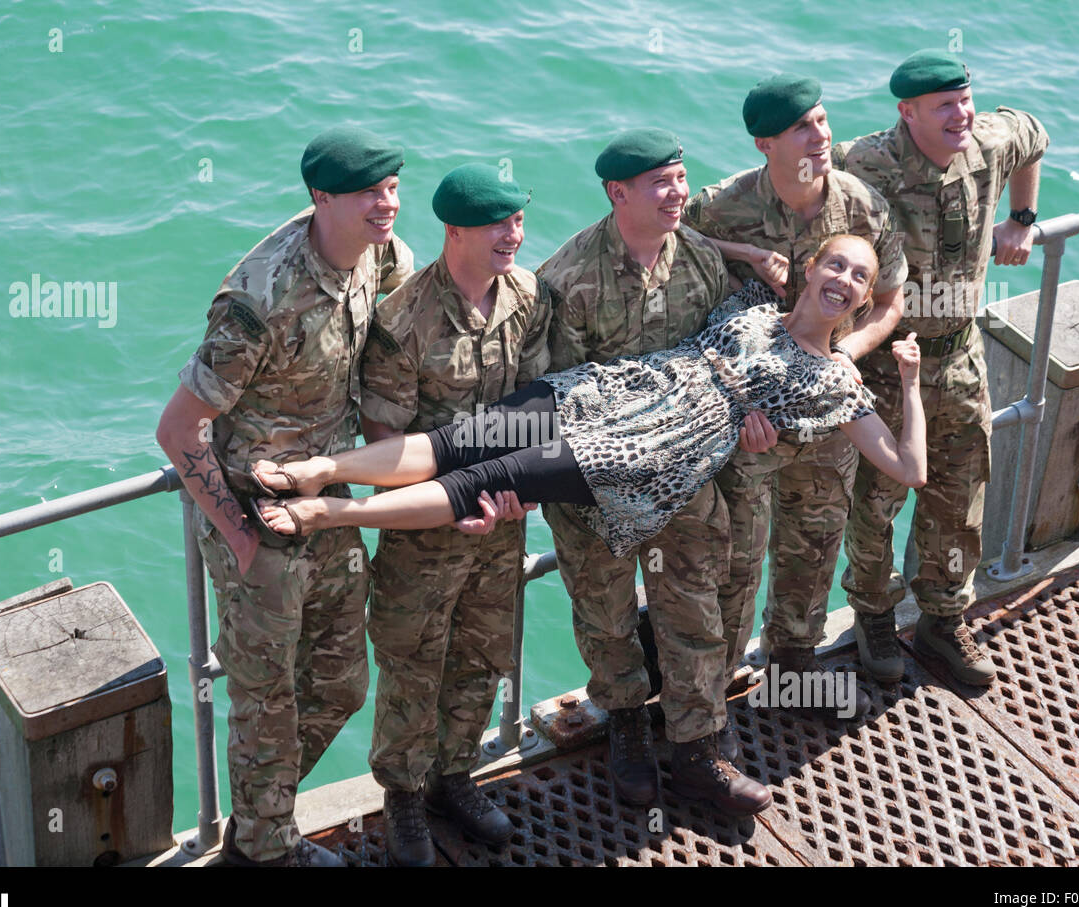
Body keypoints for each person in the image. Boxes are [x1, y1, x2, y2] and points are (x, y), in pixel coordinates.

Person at [251, 237, 926, 815]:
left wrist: (911, 379)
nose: (842, 280)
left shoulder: (834, 381)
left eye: (859, 277)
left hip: (648, 447)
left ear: (865, 300)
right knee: (468, 436)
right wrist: (758, 254)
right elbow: (684, 232)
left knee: (489, 481)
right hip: (614, 386)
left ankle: (329, 509)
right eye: (834, 265)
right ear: (809, 269)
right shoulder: (752, 303)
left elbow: (909, 467)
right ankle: (320, 467)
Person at [155, 126, 413, 867]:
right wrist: (238, 540)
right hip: (253, 520)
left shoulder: (380, 253)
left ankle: (256, 822)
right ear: (321, 198)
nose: (387, 205)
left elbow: (407, 314)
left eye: (393, 188)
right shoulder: (257, 302)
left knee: (341, 684)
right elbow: (179, 431)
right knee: (266, 704)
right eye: (371, 192)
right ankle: (264, 850)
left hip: (323, 501)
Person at [531, 128, 764, 814]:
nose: (678, 192)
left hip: (682, 478)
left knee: (693, 605)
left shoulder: (695, 257)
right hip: (594, 488)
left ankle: (698, 748)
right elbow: (553, 397)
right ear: (617, 193)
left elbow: (725, 353)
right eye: (660, 182)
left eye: (681, 177)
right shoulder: (567, 280)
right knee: (604, 615)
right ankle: (627, 722)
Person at [681, 73, 906, 719]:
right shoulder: (724, 204)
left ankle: (791, 672)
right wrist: (743, 251)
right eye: (803, 127)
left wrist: (846, 355)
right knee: (733, 564)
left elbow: (890, 300)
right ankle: (710, 696)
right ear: (765, 143)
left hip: (826, 416)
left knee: (813, 544)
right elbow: (671, 237)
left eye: (825, 121)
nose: (822, 136)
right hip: (748, 420)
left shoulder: (861, 206)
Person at [834, 51, 1049, 686]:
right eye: (944, 106)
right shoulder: (864, 160)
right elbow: (793, 186)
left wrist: (1022, 219)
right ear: (908, 112)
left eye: (965, 99)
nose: (961, 114)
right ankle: (872, 615)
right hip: (884, 358)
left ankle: (942, 617)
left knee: (960, 498)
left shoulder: (988, 140)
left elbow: (1034, 135)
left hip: (959, 356)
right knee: (875, 501)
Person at [357, 164, 551, 866]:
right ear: (454, 232)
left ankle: (453, 777)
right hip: (425, 530)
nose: (514, 235)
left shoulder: (527, 294)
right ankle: (404, 797)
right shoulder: (402, 319)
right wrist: (453, 503)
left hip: (501, 520)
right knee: (413, 663)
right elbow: (386, 445)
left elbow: (537, 405)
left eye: (519, 222)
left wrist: (522, 492)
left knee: (480, 655)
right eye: (499, 225)